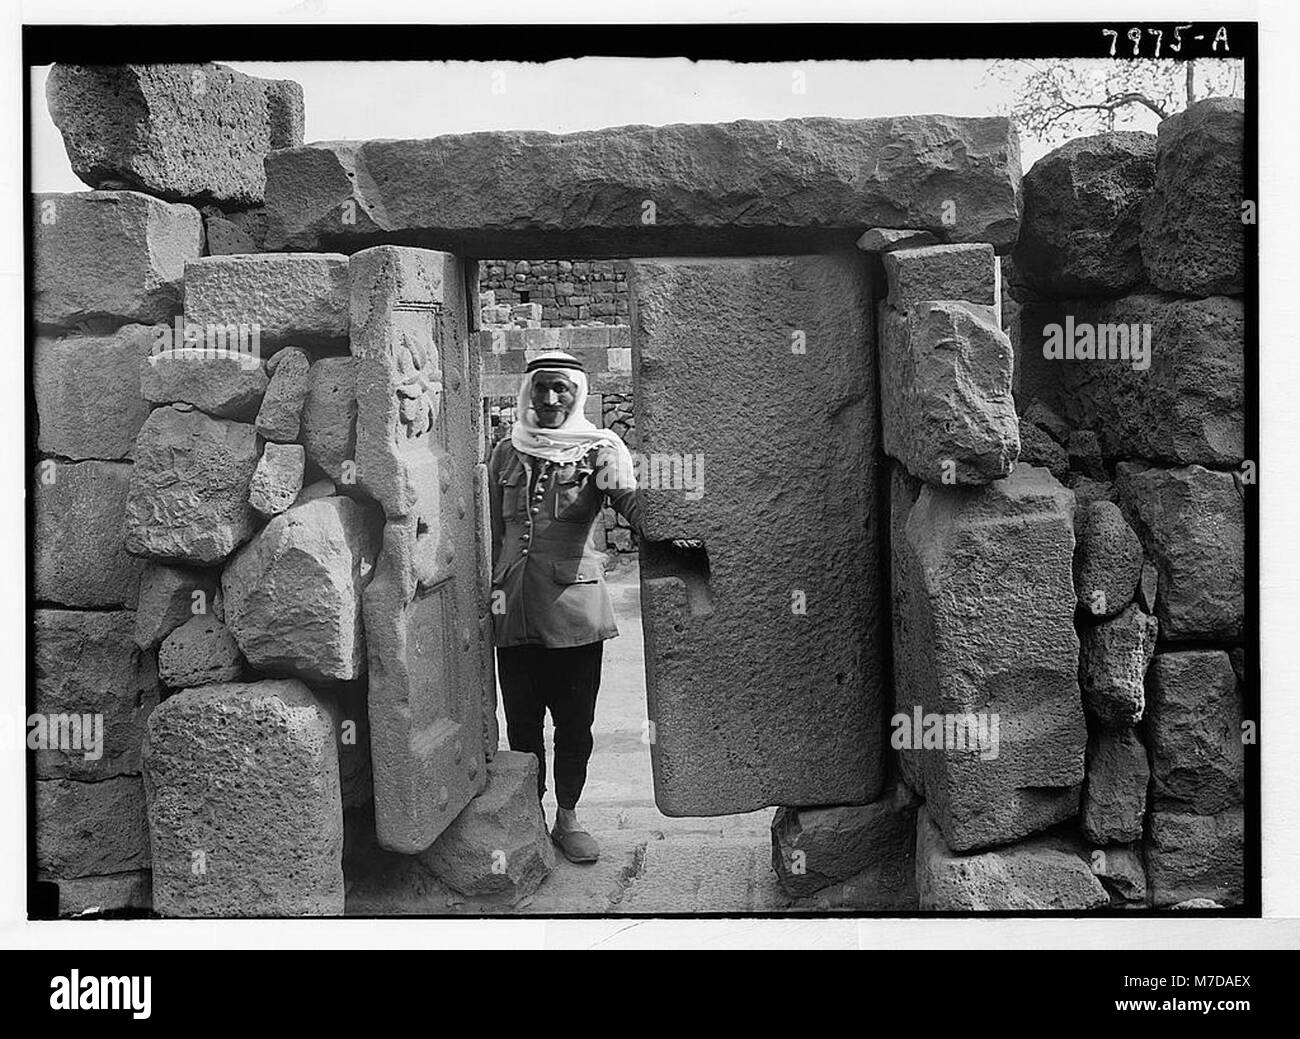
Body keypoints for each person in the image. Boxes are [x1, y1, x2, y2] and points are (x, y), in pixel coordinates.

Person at [487, 350, 643, 864]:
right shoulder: (504, 453)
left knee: (575, 724)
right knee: (522, 725)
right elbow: (491, 535)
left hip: (576, 616)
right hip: (513, 613)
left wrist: (672, 523)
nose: (551, 399)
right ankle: (527, 816)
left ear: (578, 393)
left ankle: (569, 815)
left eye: (563, 389)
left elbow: (630, 502)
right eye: (542, 388)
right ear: (527, 391)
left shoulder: (599, 452)